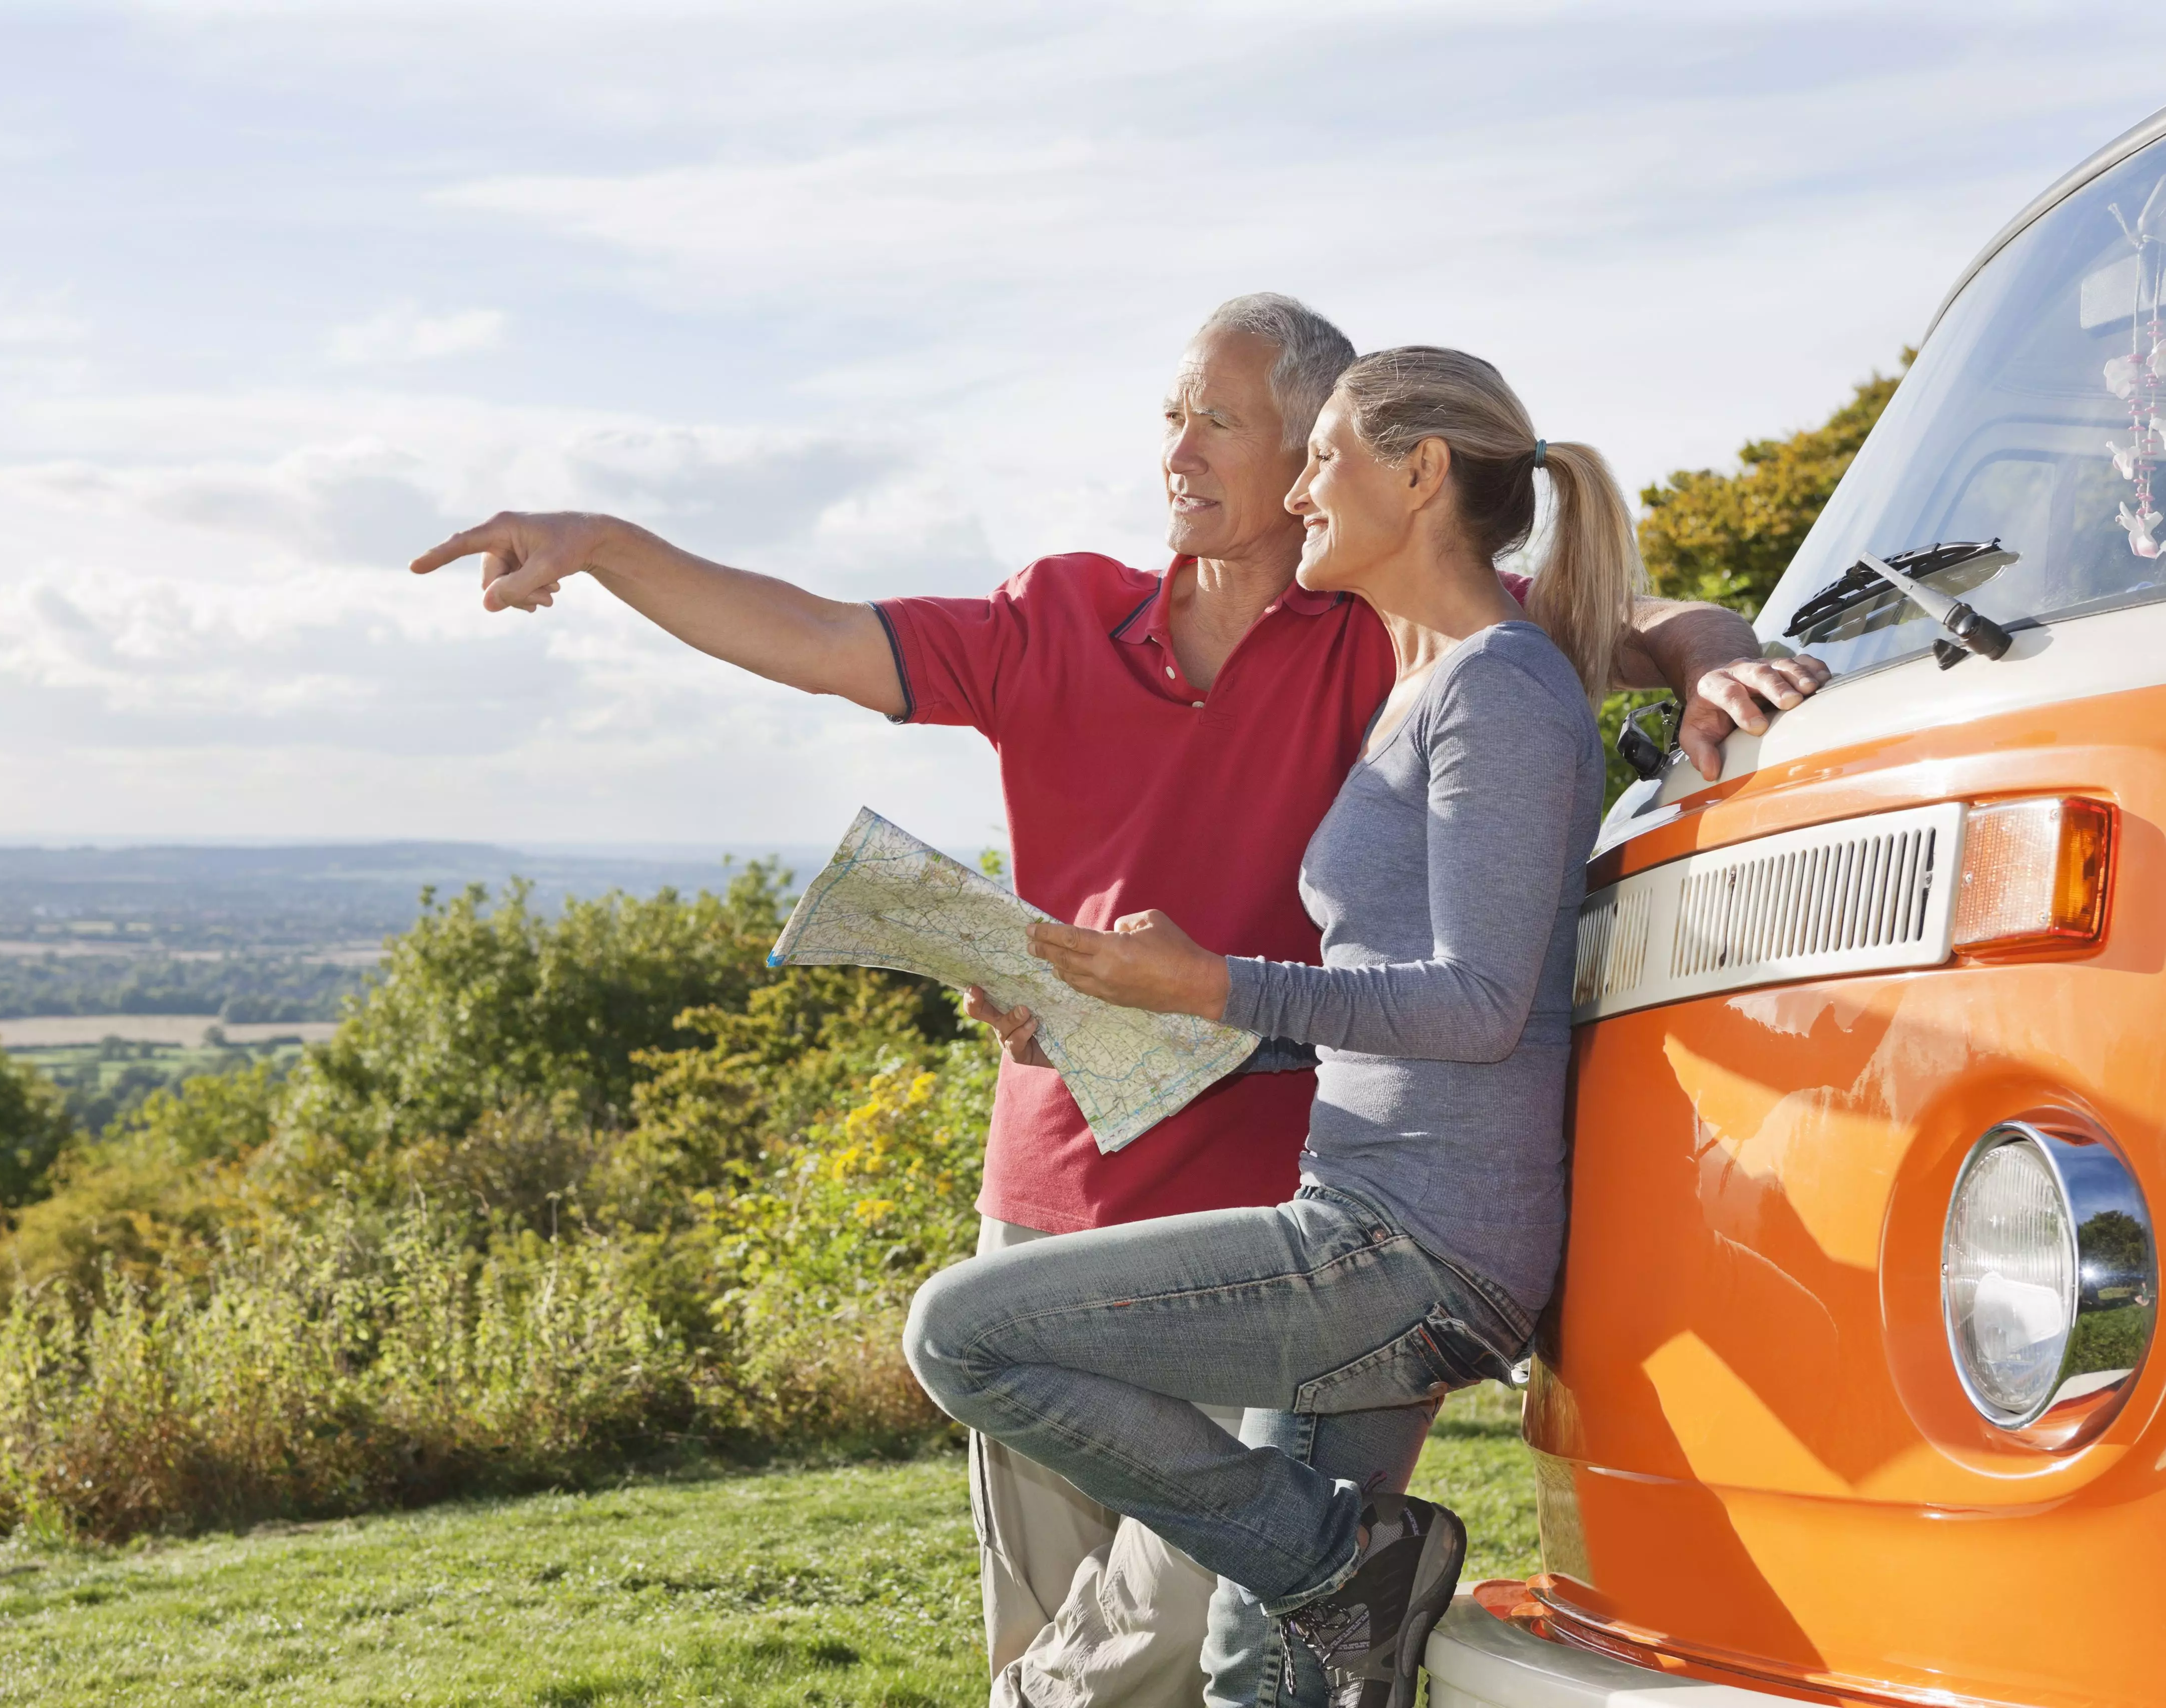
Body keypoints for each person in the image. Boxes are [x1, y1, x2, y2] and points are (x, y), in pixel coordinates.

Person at [409, 298, 1824, 1708]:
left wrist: (1713, 655)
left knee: (1176, 1651)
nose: (1178, 450)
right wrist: (603, 547)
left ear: (1327, 461)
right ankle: (1343, 1569)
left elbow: (1596, 625)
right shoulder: (1066, 619)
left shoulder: (1388, 643)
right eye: (1171, 415)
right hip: (1062, 1192)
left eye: (1224, 420)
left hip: (1295, 1222)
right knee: (1095, 1659)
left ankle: (1353, 1564)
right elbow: (821, 633)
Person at [903, 345, 1623, 1708]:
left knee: (962, 1331)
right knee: (1263, 1660)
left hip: (1410, 1249)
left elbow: (1477, 1006)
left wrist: (1219, 984)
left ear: (1417, 476)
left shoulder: (1502, 692)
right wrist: (1124, 1018)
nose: (1295, 493)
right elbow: (1380, 1010)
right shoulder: (1427, 688)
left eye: (1322, 456)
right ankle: (1343, 1571)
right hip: (1368, 1216)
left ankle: (1349, 1559)